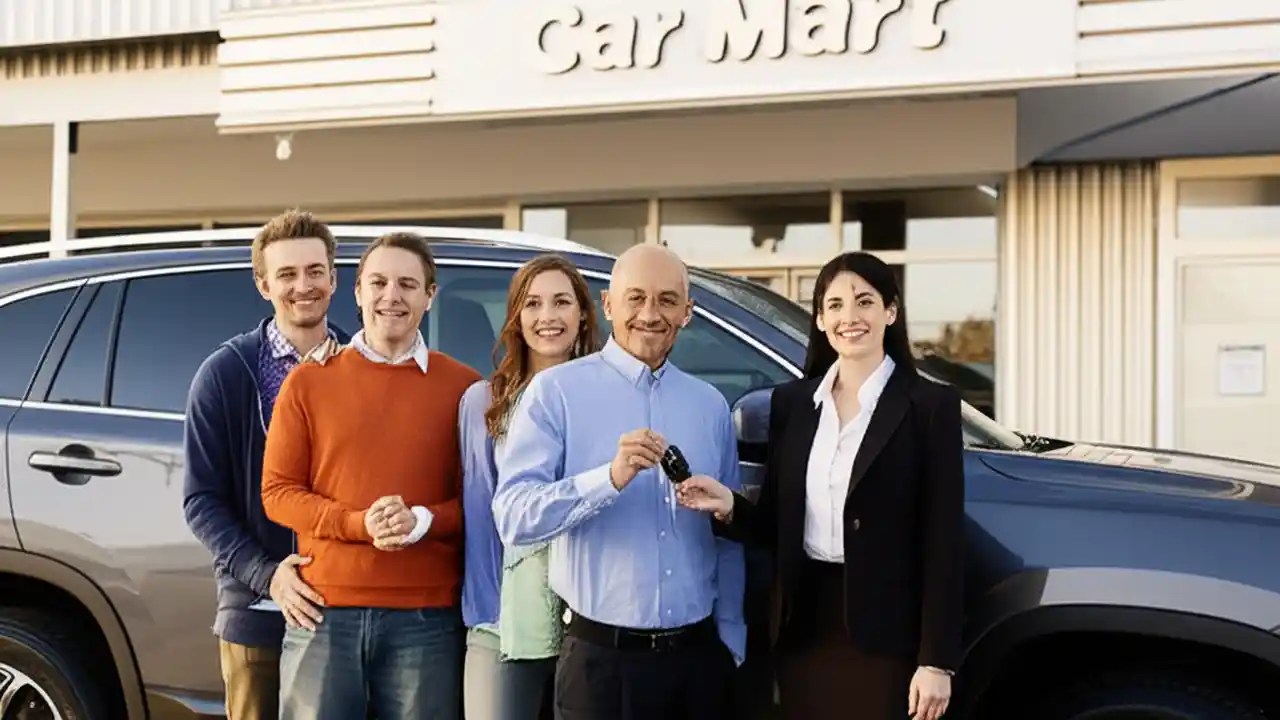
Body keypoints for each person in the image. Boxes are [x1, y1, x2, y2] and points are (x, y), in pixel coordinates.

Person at [676, 251, 965, 720]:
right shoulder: (792, 405)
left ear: (890, 312)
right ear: (819, 319)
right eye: (835, 305)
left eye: (864, 301)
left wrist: (936, 662)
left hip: (889, 636)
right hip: (803, 627)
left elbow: (944, 542)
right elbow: (778, 525)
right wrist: (730, 505)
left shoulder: (929, 406)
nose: (850, 317)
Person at [491, 243, 746, 720]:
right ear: (608, 305)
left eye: (667, 300)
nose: (650, 314)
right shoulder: (556, 393)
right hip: (601, 668)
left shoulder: (709, 405)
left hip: (698, 663)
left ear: (687, 312)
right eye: (636, 298)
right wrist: (608, 479)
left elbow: (727, 537)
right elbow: (514, 517)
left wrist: (731, 635)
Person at [260, 231, 481, 720]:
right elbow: (278, 492)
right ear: (357, 292)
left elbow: (484, 504)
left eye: (408, 284)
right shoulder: (308, 382)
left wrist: (422, 520)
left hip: (427, 621)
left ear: (430, 295)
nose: (391, 296)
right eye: (378, 283)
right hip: (322, 612)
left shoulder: (465, 388)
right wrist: (358, 524)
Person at [182, 209, 349, 720]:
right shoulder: (225, 374)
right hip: (259, 610)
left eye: (315, 271)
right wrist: (267, 575)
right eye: (287, 274)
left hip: (348, 613)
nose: (304, 286)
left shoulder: (360, 366)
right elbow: (201, 501)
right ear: (263, 284)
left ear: (334, 278)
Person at [459, 254, 601, 720]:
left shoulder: (607, 398)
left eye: (561, 302)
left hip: (592, 623)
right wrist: (490, 615)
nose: (547, 316)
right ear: (516, 319)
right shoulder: (484, 403)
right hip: (504, 623)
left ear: (583, 315)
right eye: (533, 304)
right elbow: (481, 517)